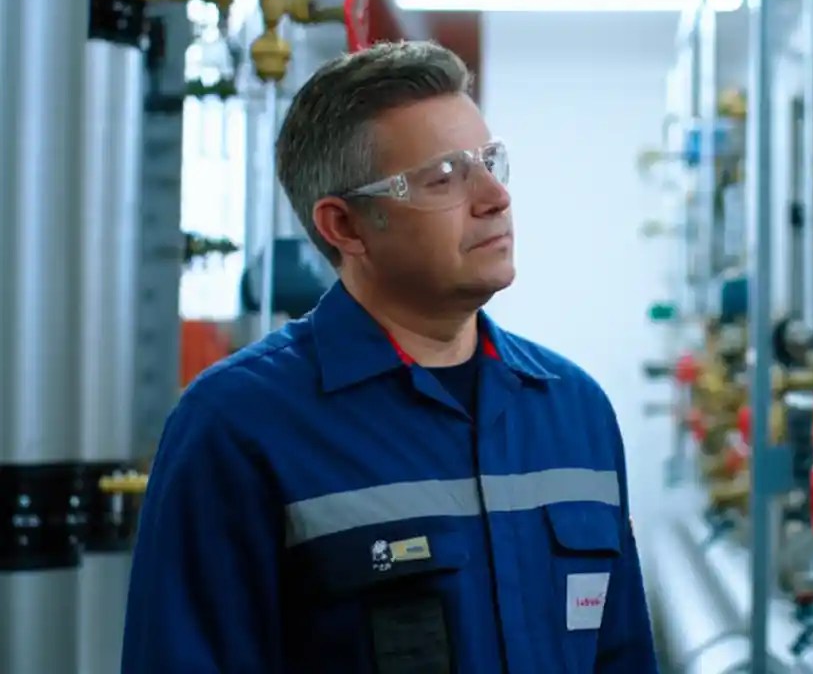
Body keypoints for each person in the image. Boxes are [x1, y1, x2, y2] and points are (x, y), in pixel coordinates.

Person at [121, 40, 659, 674]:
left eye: (490, 162)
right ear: (346, 227)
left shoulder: (574, 411)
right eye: (445, 177)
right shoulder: (238, 425)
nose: (494, 197)